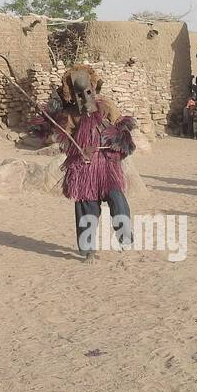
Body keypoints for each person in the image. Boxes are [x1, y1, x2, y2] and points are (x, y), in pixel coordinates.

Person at [59, 64, 137, 259]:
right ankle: (88, 250)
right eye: (78, 93)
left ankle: (125, 239)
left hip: (107, 164)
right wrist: (76, 147)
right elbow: (64, 139)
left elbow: (122, 128)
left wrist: (118, 142)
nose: (83, 97)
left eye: (87, 91)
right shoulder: (71, 114)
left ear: (92, 87)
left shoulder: (106, 106)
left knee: (118, 201)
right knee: (86, 208)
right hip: (84, 168)